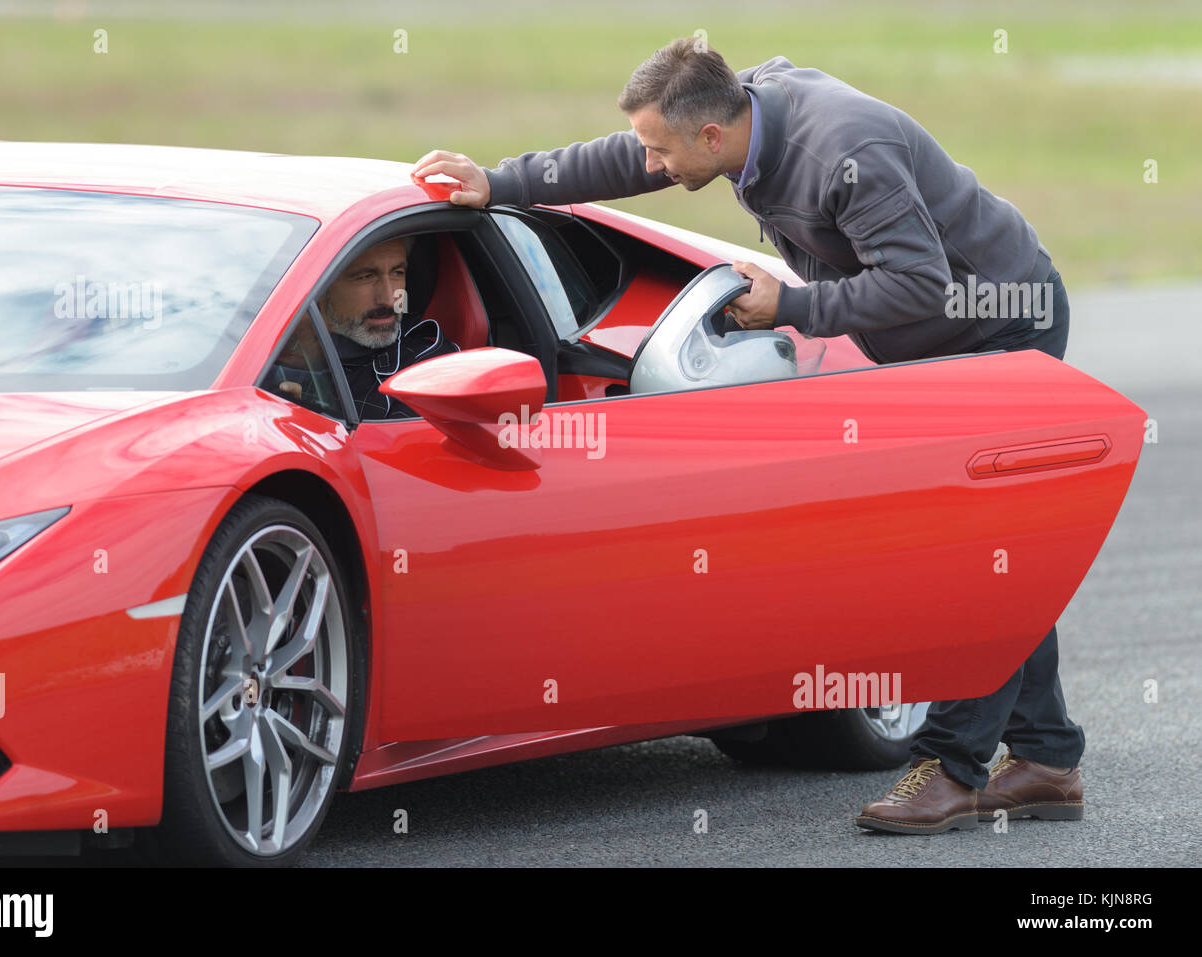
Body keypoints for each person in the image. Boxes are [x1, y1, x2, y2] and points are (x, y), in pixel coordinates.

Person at [411, 37, 1083, 833]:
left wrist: (790, 308)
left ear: (711, 136)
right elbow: (626, 158)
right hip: (934, 348)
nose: (650, 164)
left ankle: (953, 770)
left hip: (999, 328)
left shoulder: (844, 152)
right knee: (994, 549)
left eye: (662, 150)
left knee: (975, 556)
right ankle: (1045, 759)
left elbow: (919, 283)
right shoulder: (732, 116)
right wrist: (501, 182)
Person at [269, 237, 459, 419]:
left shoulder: (428, 368)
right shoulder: (268, 337)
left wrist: (312, 420)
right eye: (366, 277)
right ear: (322, 289)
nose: (389, 299)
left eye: (397, 273)